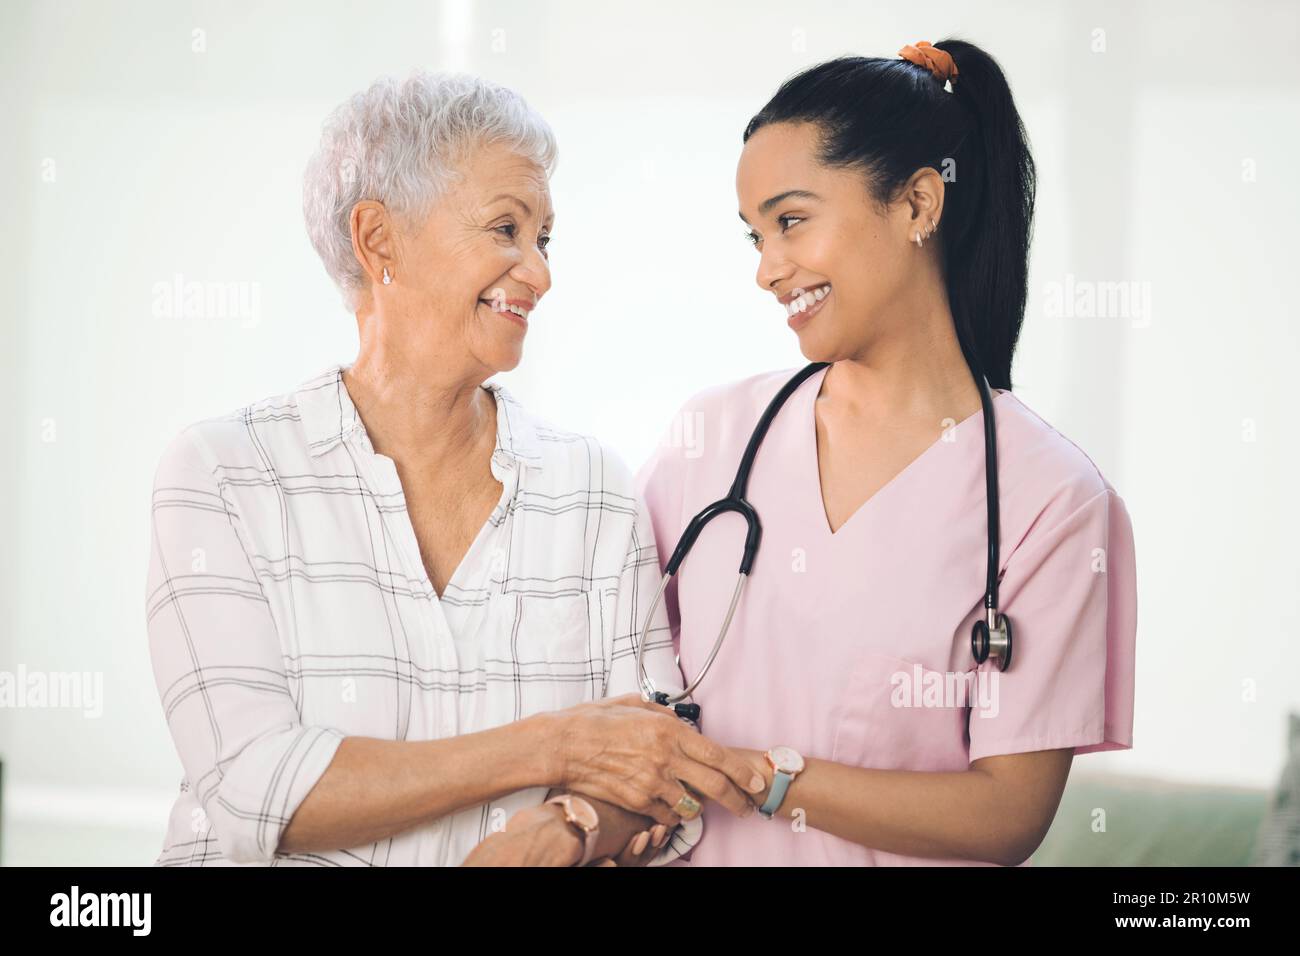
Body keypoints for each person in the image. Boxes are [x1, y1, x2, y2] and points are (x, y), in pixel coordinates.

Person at [145, 70, 764, 867]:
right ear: (378, 242)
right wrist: (555, 748)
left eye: (544, 238)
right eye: (506, 228)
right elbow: (254, 789)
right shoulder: (224, 475)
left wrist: (573, 823)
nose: (540, 272)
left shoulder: (592, 491)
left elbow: (662, 774)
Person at [635, 39, 1138, 866]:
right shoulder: (711, 440)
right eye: (753, 236)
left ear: (916, 206)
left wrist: (769, 778)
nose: (767, 269)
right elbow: (616, 693)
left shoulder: (1052, 499)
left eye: (791, 221)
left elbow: (1007, 814)